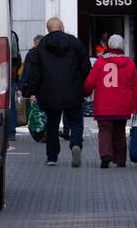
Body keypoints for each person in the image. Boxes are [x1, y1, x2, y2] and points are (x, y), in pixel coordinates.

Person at [22, 17, 91, 167]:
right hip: (73, 91)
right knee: (76, 122)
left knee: (52, 125)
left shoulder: (41, 47)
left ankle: (52, 157)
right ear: (61, 26)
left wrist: (31, 91)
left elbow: (35, 73)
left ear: (48, 29)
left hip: (49, 93)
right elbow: (85, 67)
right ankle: (75, 144)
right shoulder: (75, 42)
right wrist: (85, 87)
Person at [84, 34, 137, 167]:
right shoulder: (130, 64)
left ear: (109, 46)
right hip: (122, 106)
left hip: (103, 105)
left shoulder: (100, 62)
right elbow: (136, 86)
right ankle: (120, 160)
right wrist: (136, 106)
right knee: (120, 131)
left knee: (105, 130)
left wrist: (85, 92)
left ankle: (105, 155)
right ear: (122, 47)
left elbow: (90, 82)